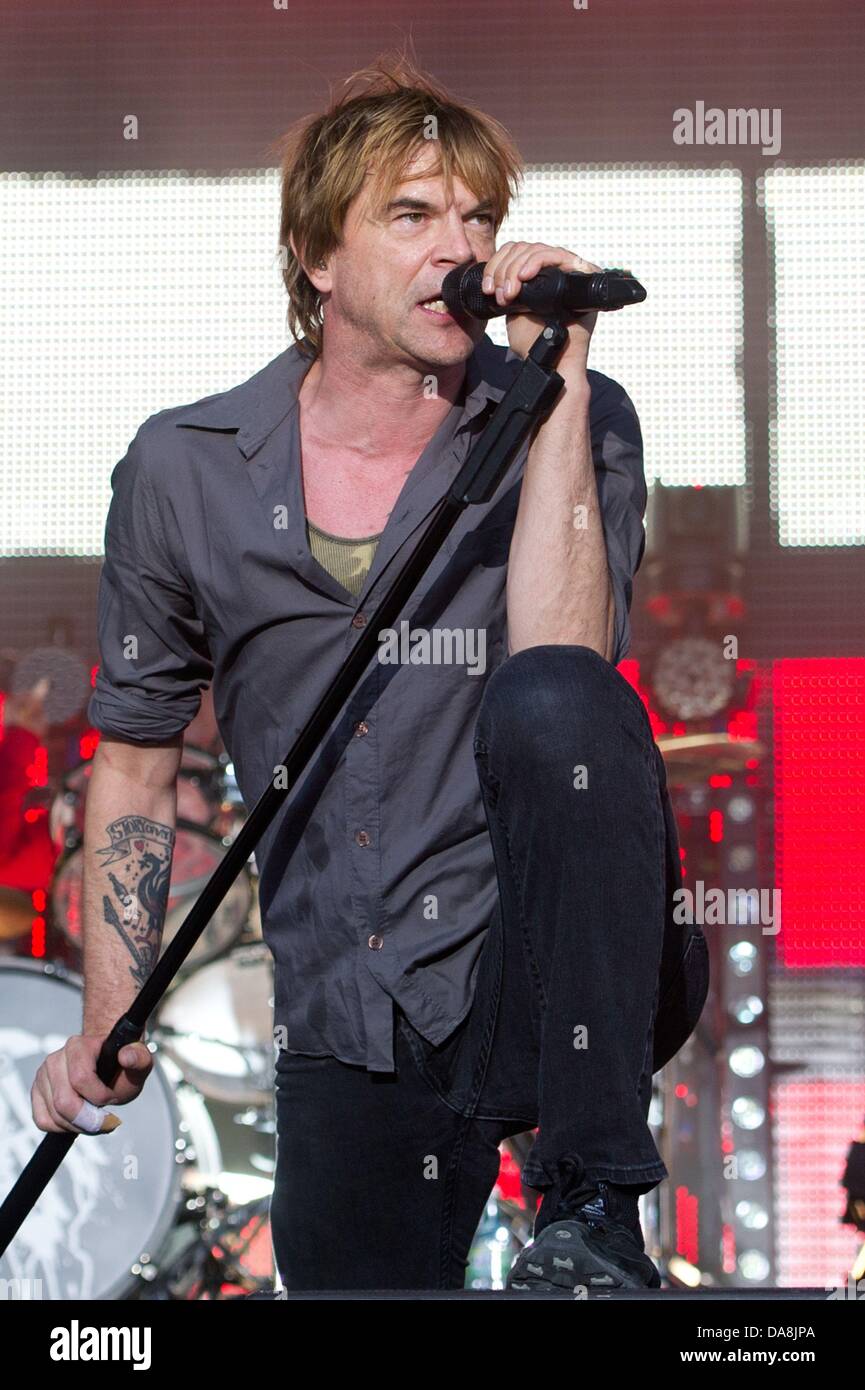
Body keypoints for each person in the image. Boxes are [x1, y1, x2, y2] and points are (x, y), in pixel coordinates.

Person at [30, 52, 709, 1293]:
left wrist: (553, 377)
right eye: (412, 214)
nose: (459, 246)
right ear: (318, 257)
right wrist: (108, 1017)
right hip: (348, 1007)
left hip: (539, 970)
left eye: (477, 217)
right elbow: (131, 763)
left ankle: (595, 1205)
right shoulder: (186, 473)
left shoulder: (576, 414)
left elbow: (570, 667)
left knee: (556, 698)